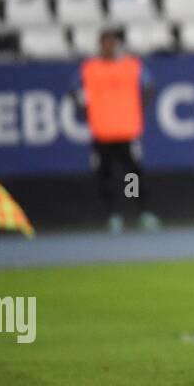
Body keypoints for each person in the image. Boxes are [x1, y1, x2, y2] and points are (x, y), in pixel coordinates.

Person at [73, 28, 159, 233]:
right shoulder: (89, 68)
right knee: (106, 175)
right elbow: (73, 90)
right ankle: (113, 215)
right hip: (102, 132)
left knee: (133, 174)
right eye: (105, 43)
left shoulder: (131, 66)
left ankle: (141, 212)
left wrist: (137, 108)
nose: (109, 47)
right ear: (100, 45)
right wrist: (86, 110)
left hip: (127, 130)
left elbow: (148, 86)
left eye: (112, 42)